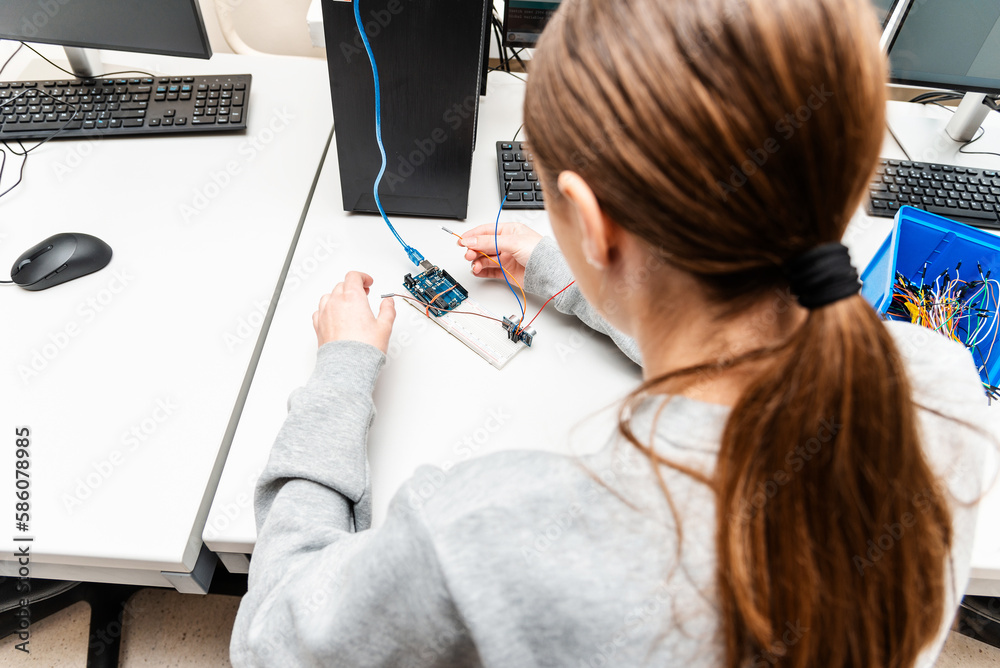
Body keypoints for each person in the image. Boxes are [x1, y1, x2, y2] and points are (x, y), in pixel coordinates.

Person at [230, 0, 994, 665]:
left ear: (592, 221)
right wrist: (573, 274)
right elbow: (732, 329)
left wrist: (342, 372)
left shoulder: (487, 538)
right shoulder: (944, 382)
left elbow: (276, 636)